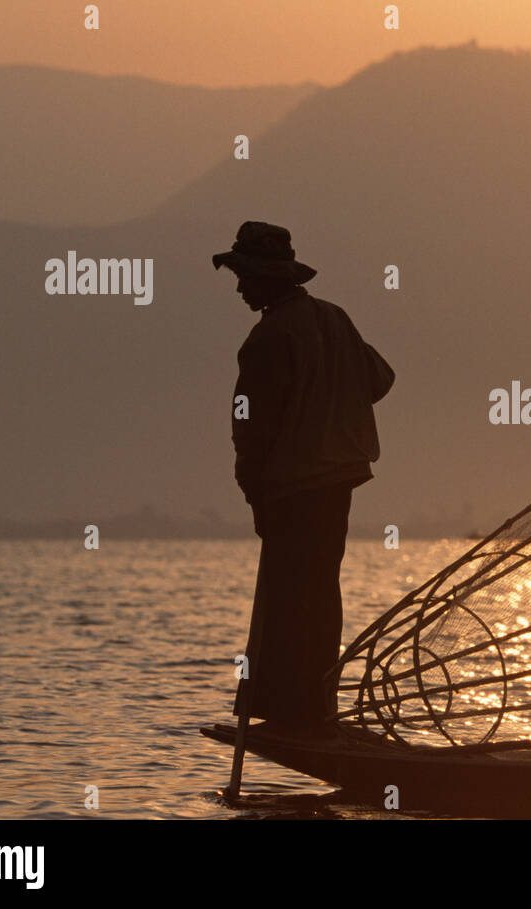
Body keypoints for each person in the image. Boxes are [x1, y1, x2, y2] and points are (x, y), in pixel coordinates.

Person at [212, 221, 395, 736]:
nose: (241, 287)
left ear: (270, 278)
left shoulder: (270, 336)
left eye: (246, 276)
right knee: (317, 591)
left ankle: (292, 710)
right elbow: (379, 380)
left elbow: (251, 426)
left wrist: (253, 490)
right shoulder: (333, 319)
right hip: (336, 478)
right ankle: (312, 705)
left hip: (293, 485)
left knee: (288, 593)